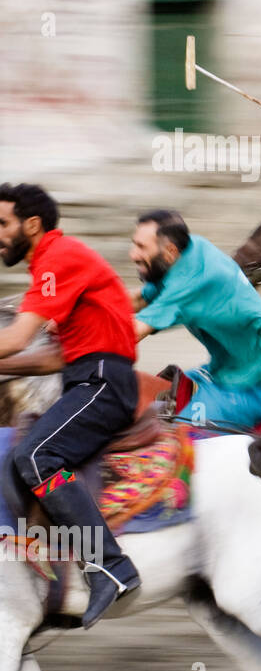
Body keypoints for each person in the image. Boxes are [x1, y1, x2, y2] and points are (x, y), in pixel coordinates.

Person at [0, 183, 140, 627]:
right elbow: (54, 357)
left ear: (32, 224)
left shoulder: (57, 260)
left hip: (102, 383)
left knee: (37, 455)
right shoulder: (53, 264)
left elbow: (19, 337)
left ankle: (111, 569)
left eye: (2, 224)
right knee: (15, 454)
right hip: (86, 376)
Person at [130, 209, 261, 430]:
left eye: (141, 247)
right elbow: (138, 300)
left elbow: (131, 333)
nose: (133, 254)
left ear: (169, 251)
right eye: (134, 244)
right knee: (144, 394)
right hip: (217, 372)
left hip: (248, 388)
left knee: (175, 440)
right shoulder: (188, 250)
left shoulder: (190, 282)